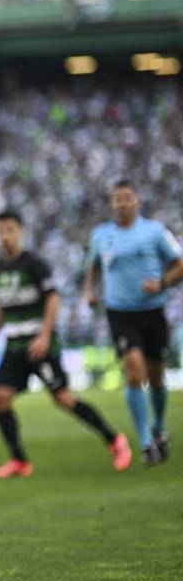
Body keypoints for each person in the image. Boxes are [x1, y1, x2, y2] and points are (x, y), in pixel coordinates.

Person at [0, 210, 132, 478]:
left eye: (10, 230)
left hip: (39, 346)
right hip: (14, 346)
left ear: (20, 231)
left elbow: (53, 298)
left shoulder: (34, 264)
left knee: (63, 398)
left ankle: (114, 440)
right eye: (0, 231)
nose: (4, 236)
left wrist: (45, 336)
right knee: (1, 399)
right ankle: (19, 461)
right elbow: (1, 306)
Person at [83, 181, 183, 464]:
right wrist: (89, 291)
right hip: (120, 313)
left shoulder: (154, 232)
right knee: (134, 372)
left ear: (137, 202)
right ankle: (145, 441)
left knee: (156, 375)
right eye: (117, 199)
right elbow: (92, 266)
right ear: (112, 203)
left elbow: (180, 264)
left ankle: (159, 426)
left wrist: (162, 282)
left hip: (152, 311)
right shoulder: (101, 235)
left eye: (127, 198)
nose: (122, 204)